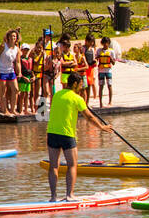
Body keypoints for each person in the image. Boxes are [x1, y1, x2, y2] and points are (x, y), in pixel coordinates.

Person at [46, 71, 111, 201]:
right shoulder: (77, 98)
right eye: (81, 84)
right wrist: (102, 127)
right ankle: (69, 195)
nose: (82, 87)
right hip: (67, 135)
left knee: (53, 165)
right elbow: (89, 117)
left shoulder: (57, 94)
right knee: (72, 165)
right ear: (75, 84)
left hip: (52, 133)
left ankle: (53, 197)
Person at [0, 29, 21, 115]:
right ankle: (4, 109)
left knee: (16, 89)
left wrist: (19, 72)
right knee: (3, 91)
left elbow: (17, 62)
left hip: (10, 71)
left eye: (14, 36)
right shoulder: (3, 46)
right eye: (11, 36)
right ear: (8, 37)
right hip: (2, 71)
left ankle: (12, 109)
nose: (13, 37)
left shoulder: (17, 49)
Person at [96, 36, 118, 106]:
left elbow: (114, 63)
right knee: (101, 86)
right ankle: (100, 103)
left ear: (109, 43)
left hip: (108, 71)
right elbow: (96, 59)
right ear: (102, 43)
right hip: (101, 71)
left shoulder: (111, 51)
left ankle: (110, 102)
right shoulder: (99, 51)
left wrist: (111, 58)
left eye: (107, 43)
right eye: (104, 43)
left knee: (109, 85)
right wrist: (97, 57)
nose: (105, 44)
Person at [17, 44, 35, 114]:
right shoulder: (20, 59)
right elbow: (19, 72)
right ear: (22, 50)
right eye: (25, 50)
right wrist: (24, 78)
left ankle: (26, 109)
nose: (26, 51)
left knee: (27, 94)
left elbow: (31, 70)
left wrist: (33, 76)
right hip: (23, 78)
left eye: (27, 50)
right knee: (22, 94)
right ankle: (21, 110)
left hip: (29, 78)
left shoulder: (30, 59)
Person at [81, 34, 98, 103]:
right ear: (86, 41)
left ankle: (87, 102)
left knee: (89, 85)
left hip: (91, 69)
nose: (91, 43)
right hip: (84, 69)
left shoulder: (92, 49)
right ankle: (83, 101)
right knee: (83, 86)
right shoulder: (83, 48)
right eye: (90, 42)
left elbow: (94, 58)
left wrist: (95, 62)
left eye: (92, 42)